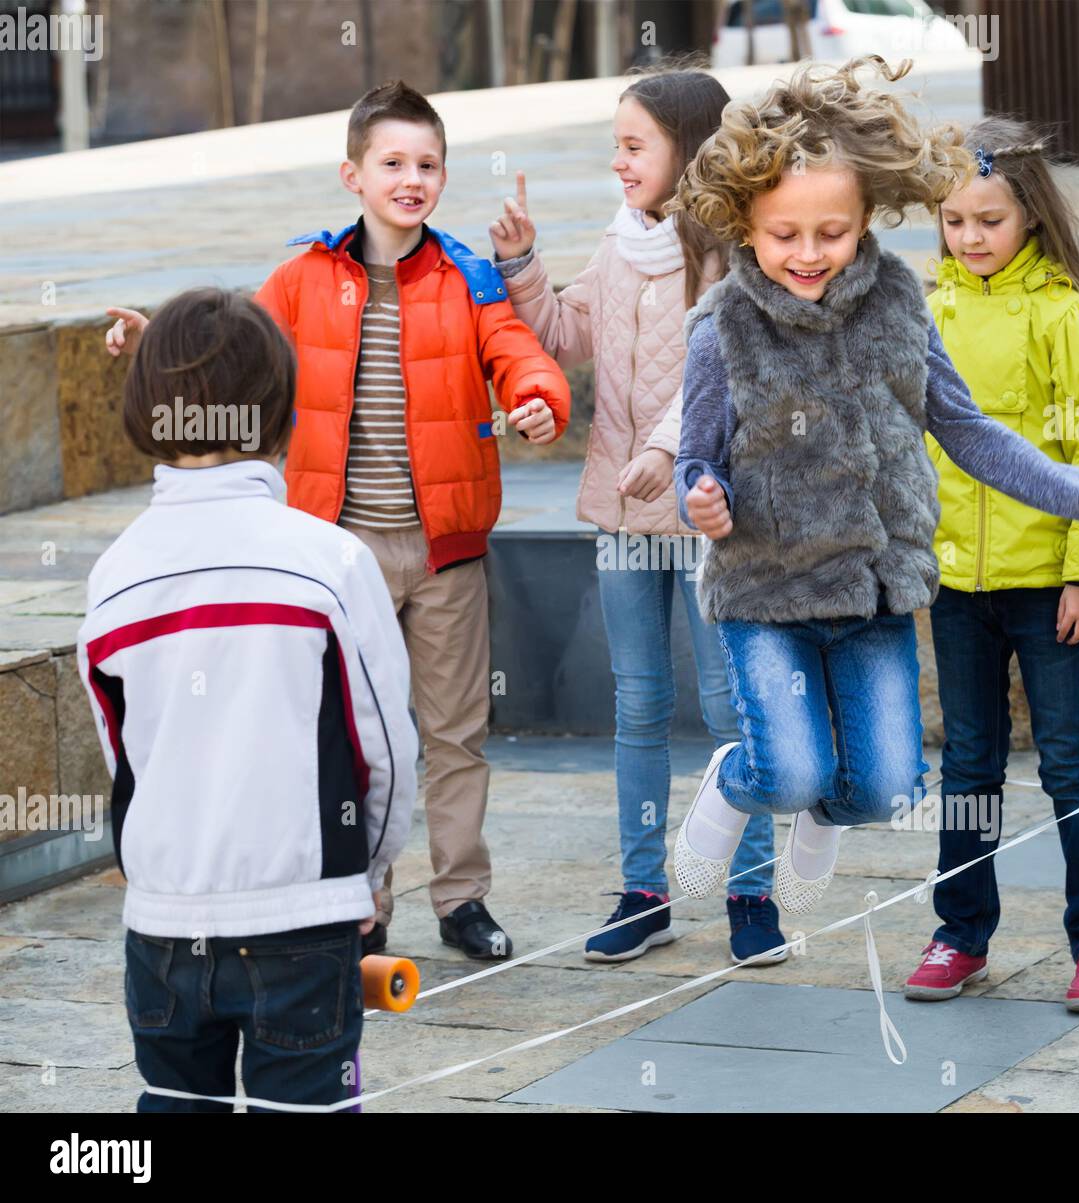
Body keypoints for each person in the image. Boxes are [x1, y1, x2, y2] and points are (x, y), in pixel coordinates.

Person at [105, 79, 572, 962]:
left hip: (444, 554)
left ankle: (462, 896)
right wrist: (157, 335)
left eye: (428, 163)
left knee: (455, 732)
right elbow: (229, 337)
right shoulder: (305, 277)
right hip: (333, 553)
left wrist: (540, 397)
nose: (412, 178)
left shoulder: (467, 274)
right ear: (351, 174)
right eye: (392, 162)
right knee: (349, 735)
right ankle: (364, 902)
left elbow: (518, 353)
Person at [668, 58, 1079, 919]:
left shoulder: (899, 305)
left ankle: (821, 817)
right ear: (747, 226)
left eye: (832, 233)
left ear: (865, 219)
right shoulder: (721, 327)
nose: (809, 254)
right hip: (765, 589)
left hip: (877, 592)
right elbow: (693, 459)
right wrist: (701, 493)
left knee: (884, 789)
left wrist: (1077, 492)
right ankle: (736, 786)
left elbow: (966, 429)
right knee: (790, 766)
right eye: (785, 236)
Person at [80, 287, 418, 1111]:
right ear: (279, 413)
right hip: (303, 919)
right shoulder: (329, 563)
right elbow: (384, 748)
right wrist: (367, 876)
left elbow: (126, 755)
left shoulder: (114, 575)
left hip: (163, 925)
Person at [488, 69, 787, 965]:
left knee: (733, 708)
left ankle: (752, 892)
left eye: (633, 145)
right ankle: (642, 890)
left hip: (706, 516)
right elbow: (563, 332)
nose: (617, 162)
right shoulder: (622, 246)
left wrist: (666, 452)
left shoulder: (732, 256)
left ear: (686, 151)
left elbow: (715, 371)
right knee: (638, 703)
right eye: (614, 144)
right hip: (623, 516)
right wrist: (521, 264)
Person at [903, 117, 1079, 1012]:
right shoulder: (928, 310)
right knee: (967, 764)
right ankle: (960, 932)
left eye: (988, 221)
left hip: (1049, 585)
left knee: (1072, 759)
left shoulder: (1070, 318)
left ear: (1031, 218)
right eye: (954, 220)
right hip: (957, 584)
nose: (970, 238)